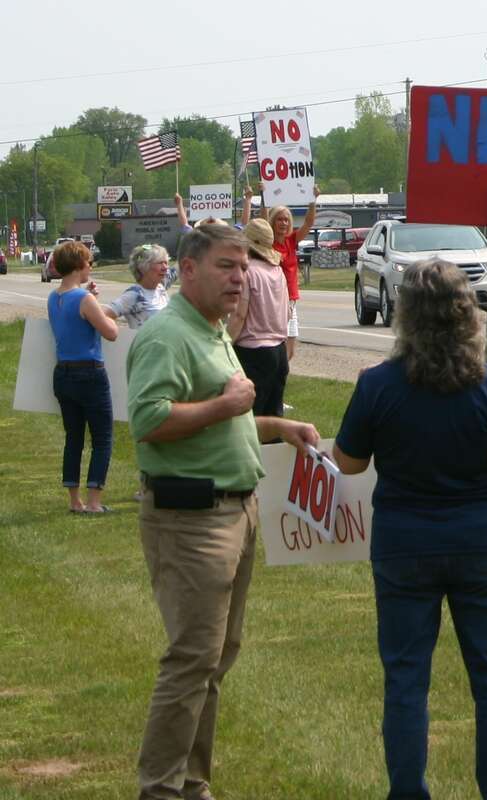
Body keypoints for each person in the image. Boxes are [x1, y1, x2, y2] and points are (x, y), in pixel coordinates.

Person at [126, 223, 319, 800]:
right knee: (191, 661)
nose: (240, 278)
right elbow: (150, 421)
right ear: (187, 270)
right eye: (226, 267)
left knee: (214, 661)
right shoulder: (167, 336)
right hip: (192, 519)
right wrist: (227, 404)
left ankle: (191, 782)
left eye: (243, 267)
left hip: (236, 513)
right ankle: (159, 789)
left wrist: (278, 426)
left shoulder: (211, 332)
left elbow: (225, 413)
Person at [333, 258, 487, 800]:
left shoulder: (377, 384)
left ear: (404, 316)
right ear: (466, 314)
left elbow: (348, 463)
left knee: (406, 681)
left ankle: (407, 791)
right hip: (481, 542)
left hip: (404, 544)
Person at [47, 240, 118, 514]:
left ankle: (74, 500)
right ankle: (94, 501)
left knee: (73, 437)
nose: (90, 266)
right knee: (102, 437)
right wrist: (103, 311)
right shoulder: (84, 299)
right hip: (89, 372)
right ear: (78, 266)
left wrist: (93, 303)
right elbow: (110, 332)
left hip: (63, 372)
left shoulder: (55, 297)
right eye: (88, 262)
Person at [226, 218, 289, 416]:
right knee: (273, 419)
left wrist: (225, 344)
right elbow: (287, 312)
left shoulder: (248, 272)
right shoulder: (278, 271)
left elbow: (239, 315)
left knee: (250, 418)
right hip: (279, 351)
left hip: (253, 351)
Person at [264, 187, 318, 361]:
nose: (284, 223)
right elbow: (262, 221)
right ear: (273, 221)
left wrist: (312, 201)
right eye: (279, 219)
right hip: (274, 298)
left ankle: (281, 378)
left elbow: (308, 223)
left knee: (290, 350)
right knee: (275, 343)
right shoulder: (267, 242)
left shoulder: (291, 240)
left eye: (286, 220)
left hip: (291, 299)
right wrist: (264, 197)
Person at [104, 243, 175, 329]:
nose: (165, 268)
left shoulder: (160, 287)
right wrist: (116, 333)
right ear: (143, 267)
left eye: (166, 263)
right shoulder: (134, 295)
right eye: (160, 263)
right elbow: (103, 316)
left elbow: (181, 266)